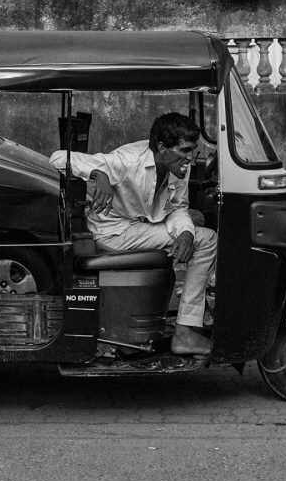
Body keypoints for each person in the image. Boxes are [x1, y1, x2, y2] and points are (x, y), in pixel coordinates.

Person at [51, 112, 215, 356]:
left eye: (192, 150)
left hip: (138, 227)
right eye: (185, 150)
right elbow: (57, 157)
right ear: (162, 148)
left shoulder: (179, 167)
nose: (190, 157)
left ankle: (186, 327)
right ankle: (185, 332)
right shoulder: (127, 160)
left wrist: (185, 234)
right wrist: (98, 174)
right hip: (114, 234)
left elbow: (177, 207)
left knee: (196, 231)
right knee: (209, 239)